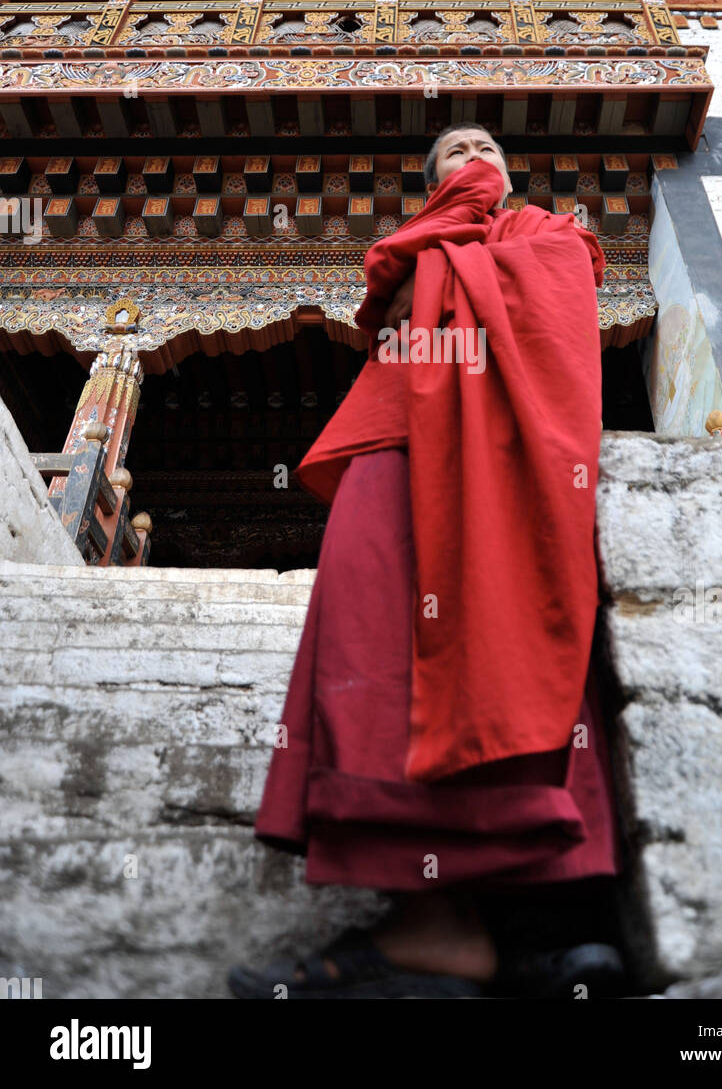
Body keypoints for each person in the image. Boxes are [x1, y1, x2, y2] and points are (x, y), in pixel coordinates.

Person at [229, 125, 624, 1000]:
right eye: (453, 148)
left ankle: (552, 922)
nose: (473, 149)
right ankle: (432, 919)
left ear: (513, 170)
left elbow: (554, 309)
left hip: (506, 461)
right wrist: (442, 250)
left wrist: (448, 264)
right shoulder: (414, 245)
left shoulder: (544, 236)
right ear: (432, 178)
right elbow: (399, 320)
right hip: (400, 451)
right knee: (375, 647)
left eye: (486, 143)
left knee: (516, 645)